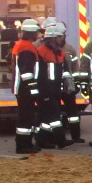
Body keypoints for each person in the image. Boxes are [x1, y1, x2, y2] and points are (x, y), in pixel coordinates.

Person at [11, 18, 42, 154]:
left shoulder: (21, 45)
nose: (38, 35)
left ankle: (25, 143)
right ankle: (23, 146)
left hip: (22, 88)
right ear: (31, 32)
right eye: (36, 32)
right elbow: (27, 72)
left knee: (25, 117)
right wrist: (34, 90)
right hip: (25, 89)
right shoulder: (27, 47)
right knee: (26, 118)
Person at [36, 19, 68, 148]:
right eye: (57, 38)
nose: (59, 40)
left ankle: (41, 140)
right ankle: (60, 140)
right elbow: (38, 74)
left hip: (56, 89)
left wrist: (68, 84)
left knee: (47, 118)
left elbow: (65, 71)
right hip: (45, 90)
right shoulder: (41, 52)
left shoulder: (60, 53)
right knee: (54, 116)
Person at [65, 40, 92, 143]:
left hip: (69, 86)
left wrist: (77, 83)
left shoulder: (69, 49)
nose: (59, 38)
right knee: (54, 114)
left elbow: (75, 67)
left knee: (73, 114)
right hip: (54, 87)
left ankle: (76, 136)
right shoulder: (47, 49)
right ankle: (55, 138)